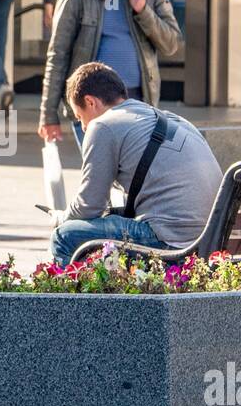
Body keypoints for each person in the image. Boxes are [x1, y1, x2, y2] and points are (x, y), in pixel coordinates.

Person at [46, 62, 221, 266]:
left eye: (79, 116)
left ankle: (71, 298)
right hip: (209, 242)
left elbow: (89, 207)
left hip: (170, 242)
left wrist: (60, 218)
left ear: (90, 102)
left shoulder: (102, 125)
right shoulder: (171, 119)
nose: (83, 127)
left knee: (64, 236)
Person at [39, 0, 182, 145]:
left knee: (132, 176)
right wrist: (48, 114)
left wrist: (143, 10)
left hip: (138, 103)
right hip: (91, 105)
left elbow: (171, 45)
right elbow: (57, 56)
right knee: (100, 175)